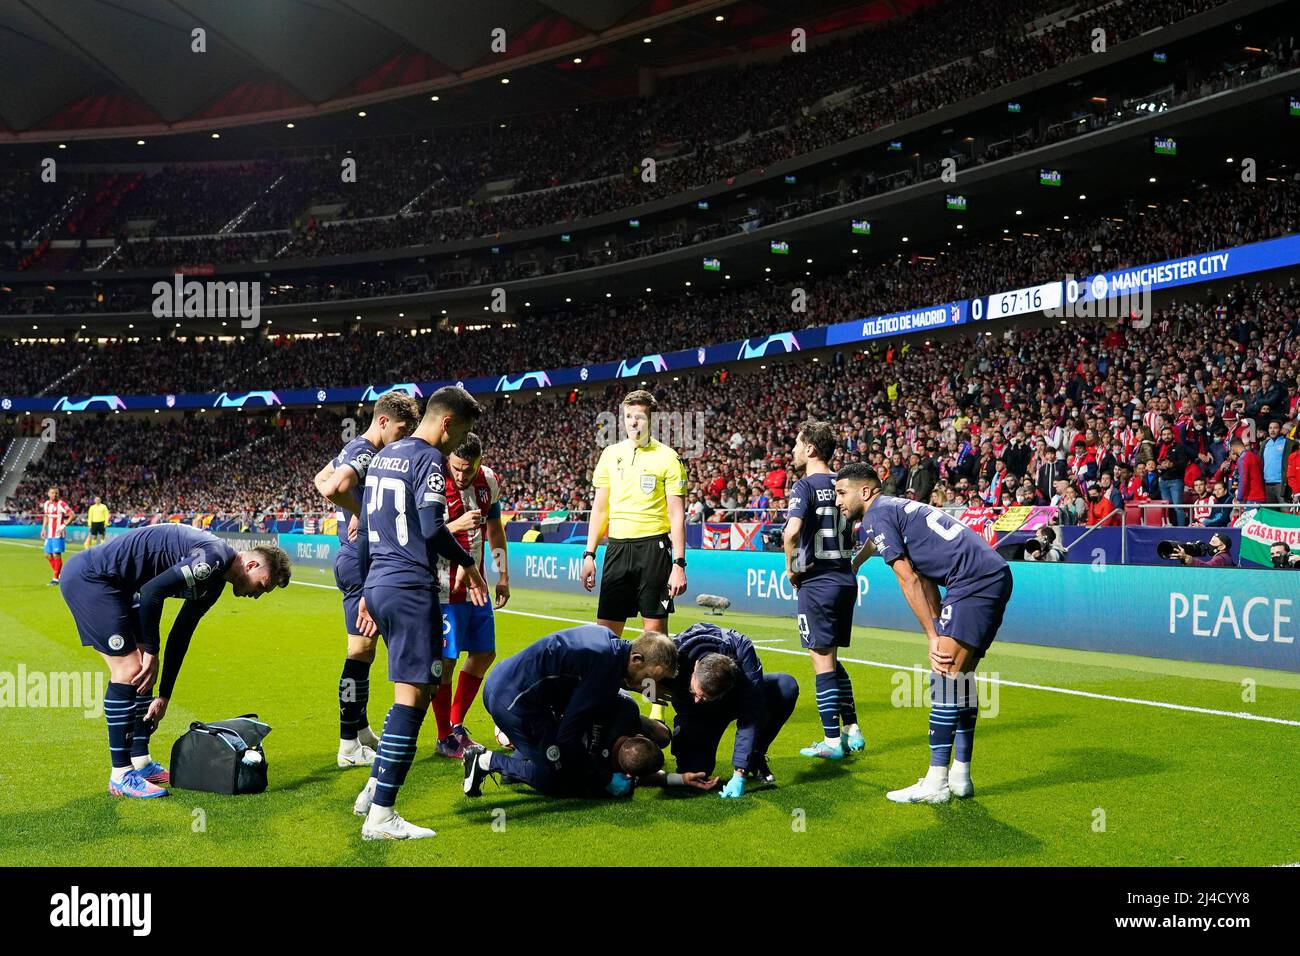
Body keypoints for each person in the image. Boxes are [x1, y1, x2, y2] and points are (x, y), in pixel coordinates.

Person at [350, 385, 491, 841]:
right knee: (413, 697)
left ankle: (374, 788)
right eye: (462, 430)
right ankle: (383, 815)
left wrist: (368, 589)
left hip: (379, 583)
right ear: (447, 422)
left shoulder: (385, 455)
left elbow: (368, 529)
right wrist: (469, 564)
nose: (457, 443)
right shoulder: (428, 459)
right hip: (411, 588)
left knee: (415, 687)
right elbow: (431, 529)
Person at [59, 524, 291, 798]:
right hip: (93, 579)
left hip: (120, 587)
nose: (258, 595)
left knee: (145, 672)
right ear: (251, 565)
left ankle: (141, 762)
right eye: (263, 585)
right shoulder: (214, 558)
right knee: (131, 669)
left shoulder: (214, 583)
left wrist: (165, 695)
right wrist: (152, 652)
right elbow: (151, 592)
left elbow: (181, 633)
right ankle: (121, 774)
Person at [835, 463, 1013, 804]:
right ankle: (960, 775)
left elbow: (911, 579)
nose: (839, 501)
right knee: (961, 678)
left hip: (974, 582)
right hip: (989, 575)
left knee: (944, 675)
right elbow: (895, 552)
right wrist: (857, 562)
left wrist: (933, 636)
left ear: (867, 491)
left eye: (843, 493)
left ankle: (936, 781)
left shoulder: (875, 515)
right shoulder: (891, 509)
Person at [313, 390, 420, 768]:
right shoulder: (366, 451)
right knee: (359, 651)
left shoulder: (356, 448)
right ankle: (346, 746)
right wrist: (364, 511)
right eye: (402, 429)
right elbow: (334, 486)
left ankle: (359, 732)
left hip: (357, 560)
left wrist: (357, 507)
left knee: (366, 651)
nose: (405, 438)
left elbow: (319, 477)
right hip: (360, 563)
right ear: (383, 421)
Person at [463, 625, 678, 799]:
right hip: (513, 704)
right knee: (560, 777)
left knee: (554, 753)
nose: (647, 684)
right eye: (649, 676)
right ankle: (485, 760)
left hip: (506, 684)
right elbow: (568, 737)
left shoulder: (608, 641)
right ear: (636, 659)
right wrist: (604, 779)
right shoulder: (604, 671)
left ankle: (524, 755)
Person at [581, 389, 687, 722]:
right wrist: (589, 553)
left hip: (654, 548)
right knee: (606, 638)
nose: (633, 422)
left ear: (652, 419)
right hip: (617, 549)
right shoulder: (610, 454)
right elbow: (599, 509)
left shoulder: (667, 457)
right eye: (628, 416)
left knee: (655, 638)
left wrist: (679, 564)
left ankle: (657, 708)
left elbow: (677, 514)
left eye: (639, 416)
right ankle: (605, 699)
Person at [782, 420, 864, 760]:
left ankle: (832, 741)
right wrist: (855, 563)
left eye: (798, 444)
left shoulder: (805, 487)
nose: (794, 450)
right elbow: (874, 532)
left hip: (817, 584)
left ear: (811, 449)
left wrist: (791, 568)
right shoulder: (847, 485)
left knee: (821, 660)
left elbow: (790, 534)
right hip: (845, 580)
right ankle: (852, 729)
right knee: (831, 657)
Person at [431, 432, 511, 759]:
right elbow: (421, 532)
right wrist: (456, 524)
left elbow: (495, 530)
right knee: (446, 660)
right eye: (457, 468)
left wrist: (503, 574)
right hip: (441, 586)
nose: (462, 475)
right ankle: (443, 736)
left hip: (476, 584)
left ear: (480, 461)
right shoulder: (433, 480)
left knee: (484, 652)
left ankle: (456, 724)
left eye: (469, 469)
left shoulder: (489, 480)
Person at [655, 621, 799, 798]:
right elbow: (629, 667)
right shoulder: (674, 654)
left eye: (704, 697)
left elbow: (752, 715)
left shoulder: (742, 652)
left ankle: (755, 756)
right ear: (696, 666)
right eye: (695, 692)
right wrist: (647, 687)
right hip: (696, 715)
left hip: (734, 702)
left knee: (786, 686)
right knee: (695, 770)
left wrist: (740, 773)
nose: (697, 700)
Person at [41, 486, 77, 585]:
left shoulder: (61, 504)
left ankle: (56, 578)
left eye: (56, 493)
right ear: (48, 494)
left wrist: (63, 525)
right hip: (49, 533)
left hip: (58, 533)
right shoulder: (46, 504)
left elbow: (72, 515)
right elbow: (46, 516)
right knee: (47, 555)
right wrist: (43, 528)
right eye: (52, 493)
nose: (54, 495)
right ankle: (60, 574)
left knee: (56, 554)